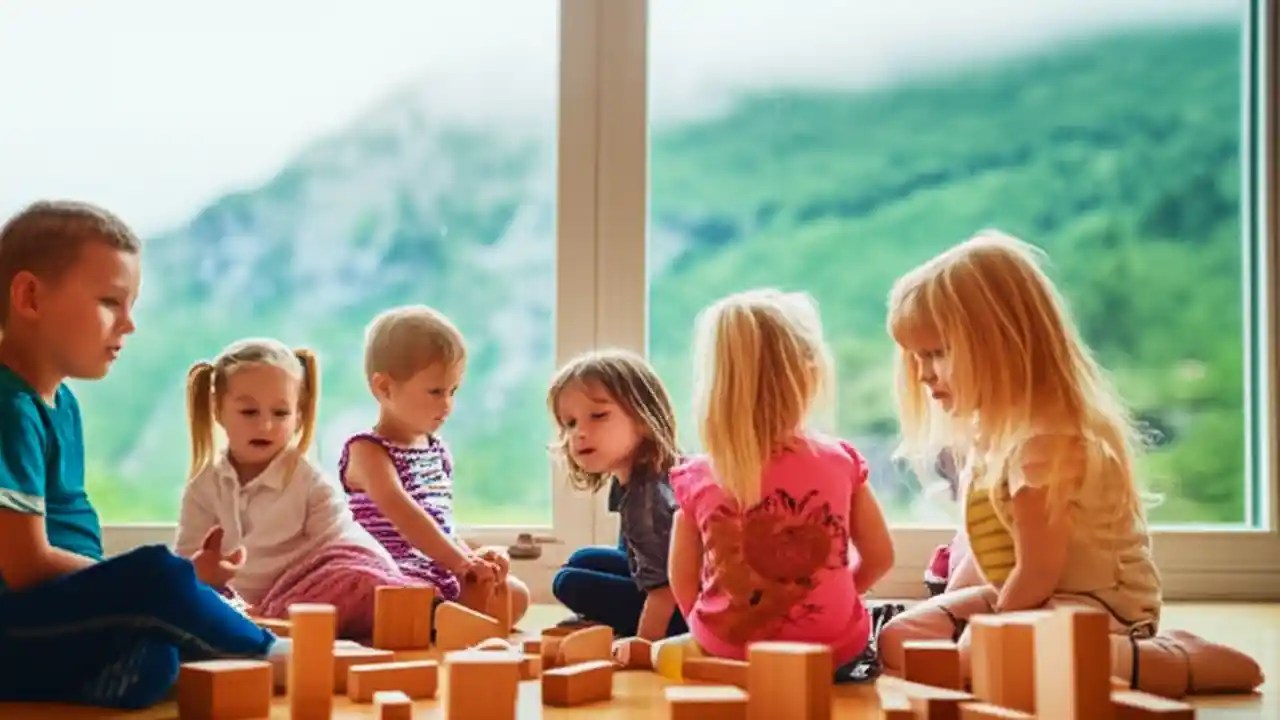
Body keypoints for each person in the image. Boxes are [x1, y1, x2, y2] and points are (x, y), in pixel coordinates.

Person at [876, 230, 1264, 698]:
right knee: (898, 639)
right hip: (1025, 596)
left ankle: (1175, 657)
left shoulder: (1044, 444)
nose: (922, 375)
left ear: (1001, 343)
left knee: (977, 656)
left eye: (937, 354)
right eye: (918, 358)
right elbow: (991, 553)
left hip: (1099, 610)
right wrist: (953, 611)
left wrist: (986, 633)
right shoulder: (993, 437)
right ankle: (996, 657)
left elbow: (1038, 572)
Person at [0, 201, 283, 708]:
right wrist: (154, 582)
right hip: (15, 622)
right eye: (111, 301)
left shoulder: (61, 403)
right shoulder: (10, 408)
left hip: (46, 622)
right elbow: (24, 564)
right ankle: (275, 655)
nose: (128, 325)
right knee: (158, 573)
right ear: (29, 296)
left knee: (155, 659)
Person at [667, 288, 896, 671]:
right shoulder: (841, 462)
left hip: (732, 657)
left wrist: (706, 630)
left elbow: (682, 575)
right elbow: (880, 557)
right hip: (833, 655)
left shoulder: (698, 475)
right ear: (809, 375)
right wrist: (834, 599)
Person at [177, 338, 420, 638]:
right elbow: (186, 567)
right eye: (249, 412)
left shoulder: (308, 480)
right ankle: (265, 628)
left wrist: (380, 581)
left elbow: (347, 548)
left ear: (298, 417)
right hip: (242, 605)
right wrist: (205, 574)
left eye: (280, 414)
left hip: (309, 590)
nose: (265, 426)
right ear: (218, 410)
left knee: (359, 579)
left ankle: (417, 614)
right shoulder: (203, 488)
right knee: (180, 601)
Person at [339, 305, 529, 622]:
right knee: (403, 599)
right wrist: (461, 562)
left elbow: (441, 525)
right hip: (391, 570)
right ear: (384, 387)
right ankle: (442, 620)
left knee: (516, 594)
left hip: (436, 567)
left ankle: (449, 620)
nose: (447, 405)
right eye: (435, 392)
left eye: (453, 391)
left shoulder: (436, 451)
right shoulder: (367, 451)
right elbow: (405, 515)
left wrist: (474, 560)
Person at [549, 349, 688, 639]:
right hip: (673, 584)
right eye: (570, 423)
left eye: (598, 416)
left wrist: (643, 645)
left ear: (643, 418)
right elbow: (636, 558)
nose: (579, 433)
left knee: (569, 582)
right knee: (582, 559)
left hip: (684, 611)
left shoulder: (647, 500)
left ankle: (619, 625)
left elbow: (665, 590)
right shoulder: (635, 476)